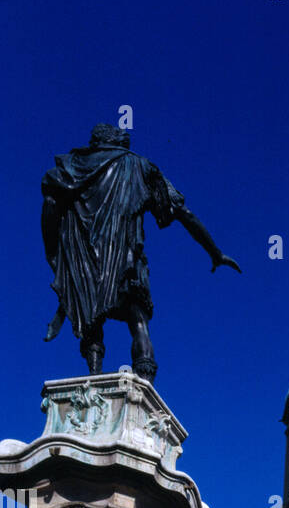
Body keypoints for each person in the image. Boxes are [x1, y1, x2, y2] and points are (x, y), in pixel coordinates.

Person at [41, 124, 240, 381]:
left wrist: (53, 254)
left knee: (92, 320)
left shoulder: (70, 167)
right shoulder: (140, 166)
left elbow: (49, 208)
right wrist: (215, 251)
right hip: (125, 260)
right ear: (118, 142)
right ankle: (144, 389)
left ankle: (93, 378)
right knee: (138, 321)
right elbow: (183, 212)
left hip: (84, 260)